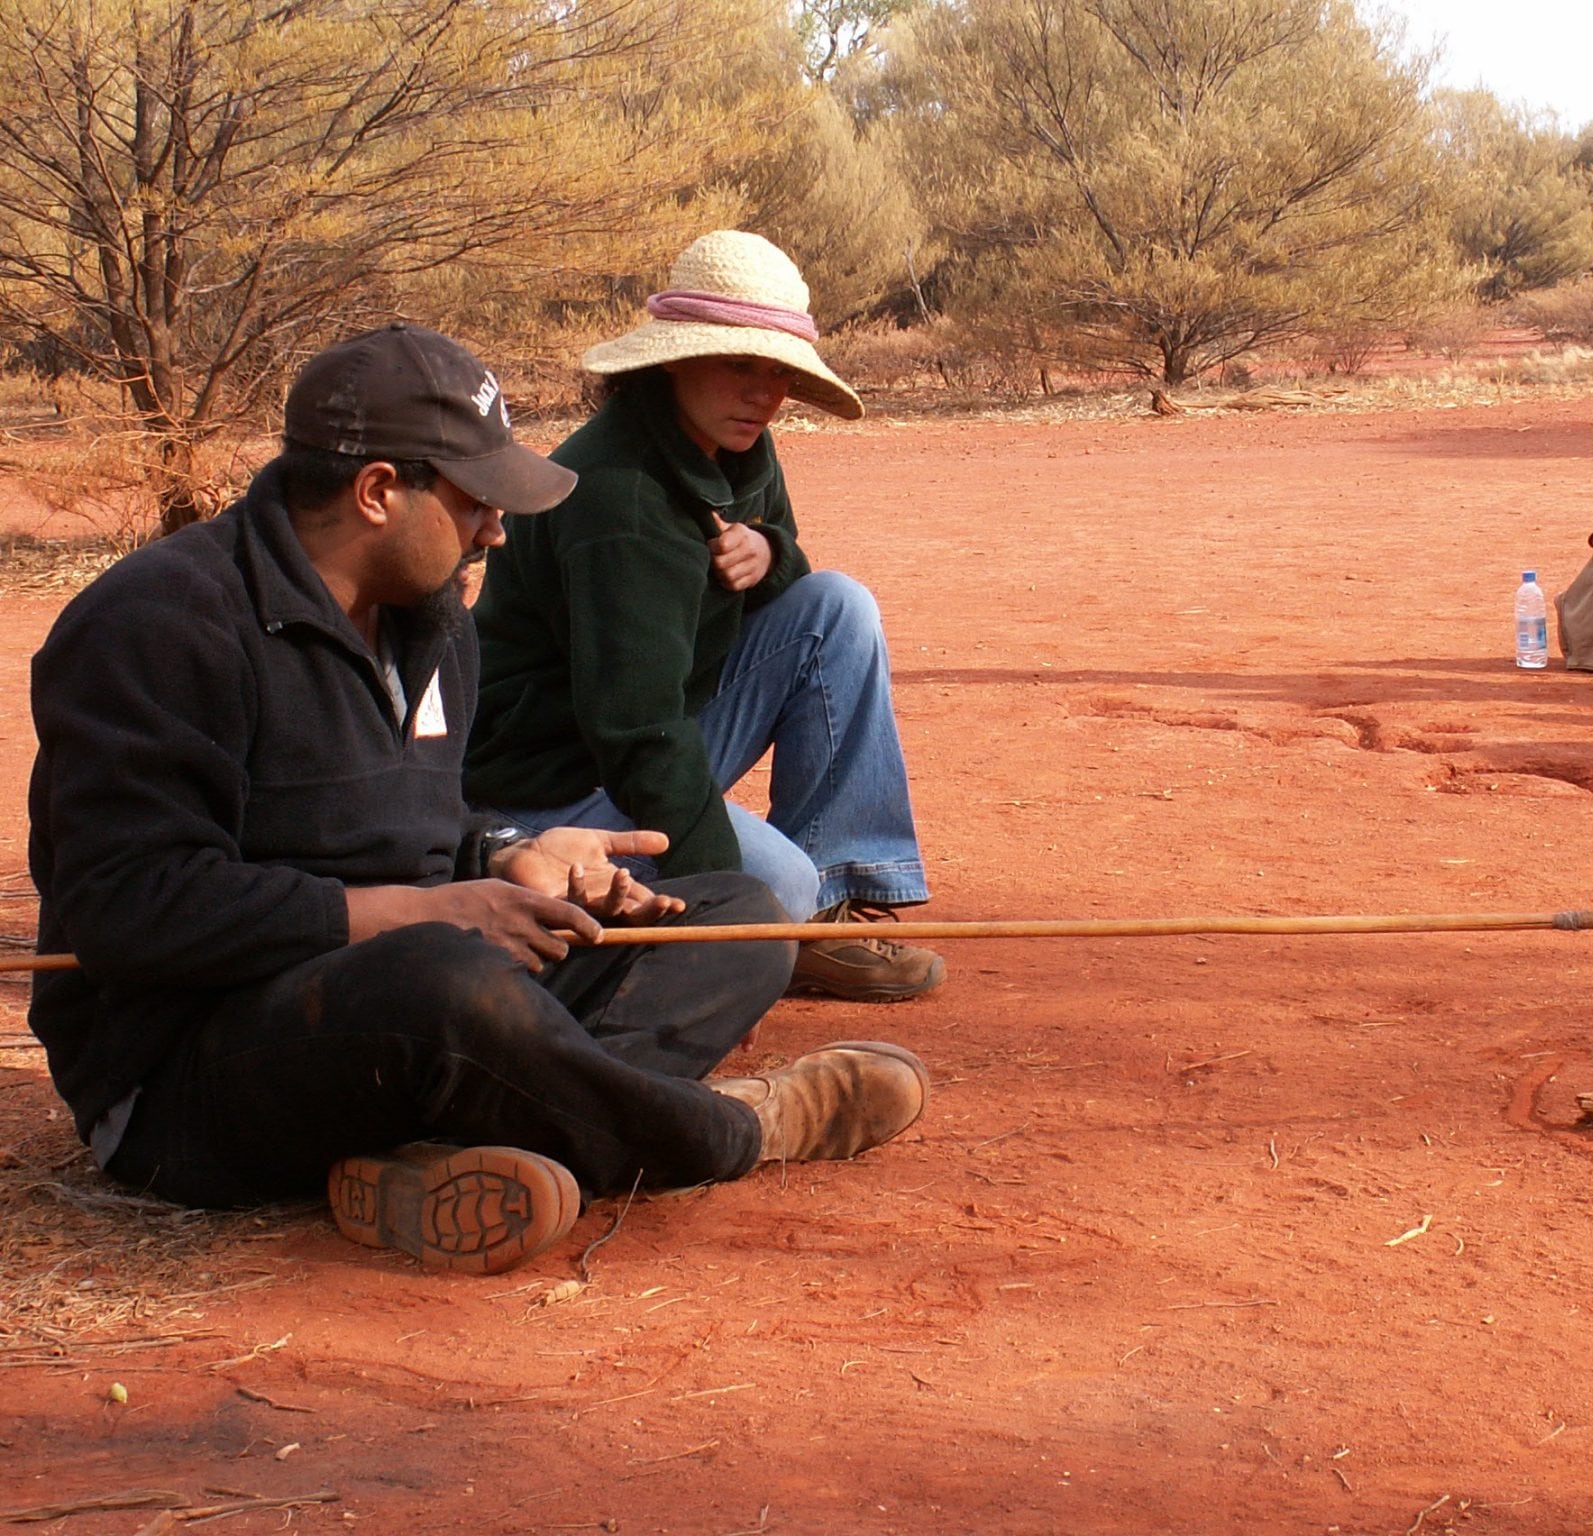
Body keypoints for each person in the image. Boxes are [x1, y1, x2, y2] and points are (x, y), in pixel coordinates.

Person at [27, 322, 930, 1276]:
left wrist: (506, 854)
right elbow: (127, 908)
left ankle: (447, 1154)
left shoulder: (434, 621)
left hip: (404, 1014)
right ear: (379, 492)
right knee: (441, 983)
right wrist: (425, 912)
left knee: (739, 919)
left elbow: (405, 830)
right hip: (188, 1076)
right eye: (476, 503)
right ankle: (734, 1129)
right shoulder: (159, 625)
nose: (498, 529)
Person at [462, 230, 945, 1004]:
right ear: (675, 359)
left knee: (836, 608)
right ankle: (770, 921)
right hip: (555, 776)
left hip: (658, 722)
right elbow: (634, 729)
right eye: (740, 364)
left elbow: (790, 583)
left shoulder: (735, 444)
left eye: (778, 371)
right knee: (774, 887)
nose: (764, 392)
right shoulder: (621, 494)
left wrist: (771, 550)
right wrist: (726, 942)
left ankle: (827, 913)